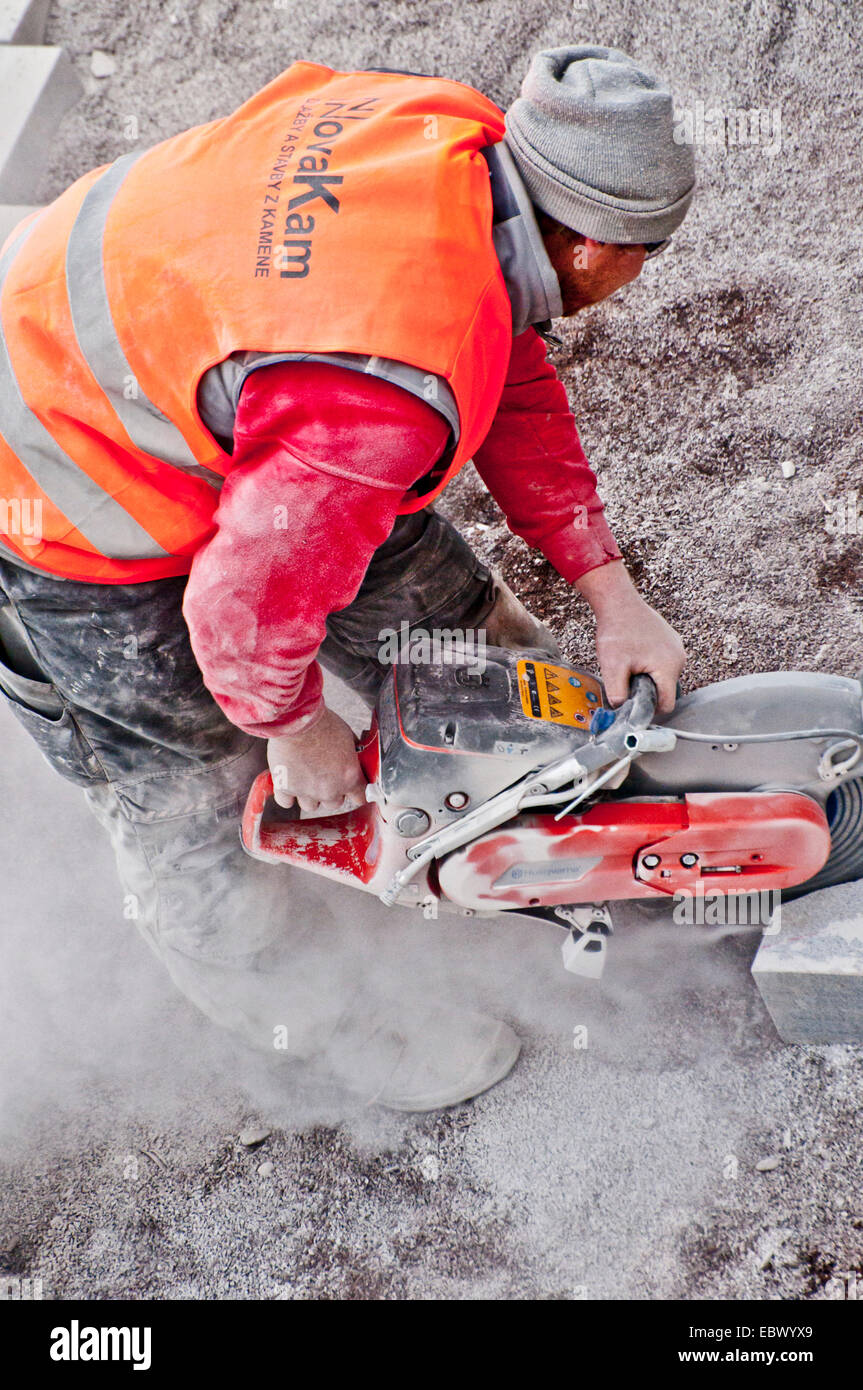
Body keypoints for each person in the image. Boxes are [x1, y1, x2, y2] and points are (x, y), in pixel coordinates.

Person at [0, 46, 694, 1109]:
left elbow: (501, 365)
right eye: (647, 258)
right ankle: (322, 1020)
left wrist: (609, 587)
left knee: (460, 653)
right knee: (194, 795)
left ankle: (534, 818)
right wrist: (292, 724)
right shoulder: (383, 389)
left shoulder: (453, 146)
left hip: (231, 384)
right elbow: (236, 609)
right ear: (596, 247)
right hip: (53, 470)